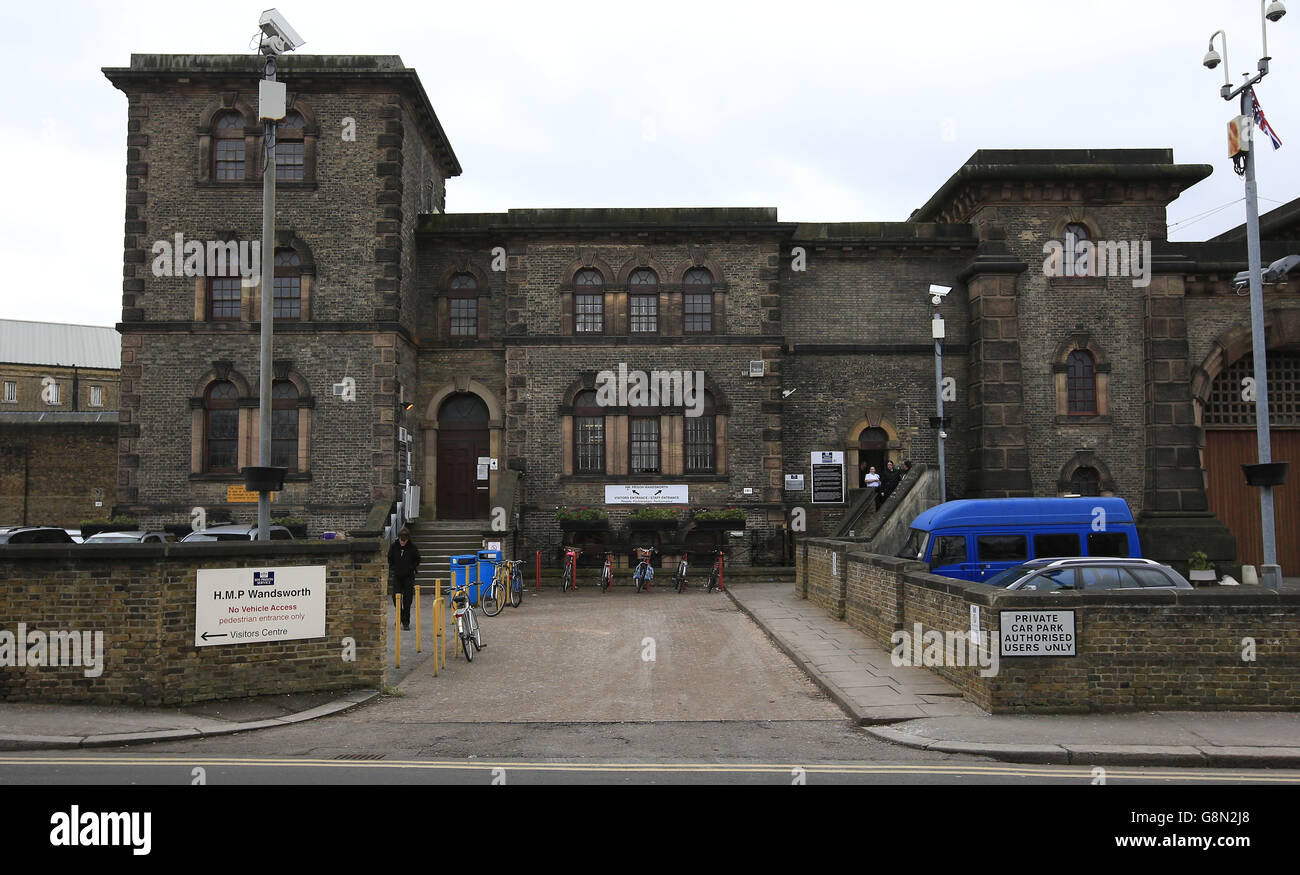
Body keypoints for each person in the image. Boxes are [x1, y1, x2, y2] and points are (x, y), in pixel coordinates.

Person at [387, 527, 421, 630]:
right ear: (399, 538)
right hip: (397, 576)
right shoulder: (394, 546)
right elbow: (390, 558)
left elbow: (418, 559)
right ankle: (400, 617)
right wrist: (393, 568)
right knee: (395, 598)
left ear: (407, 539)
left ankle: (405, 622)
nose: (403, 542)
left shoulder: (412, 547)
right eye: (401, 540)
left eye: (404, 540)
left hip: (408, 577)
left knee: (407, 600)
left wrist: (411, 567)